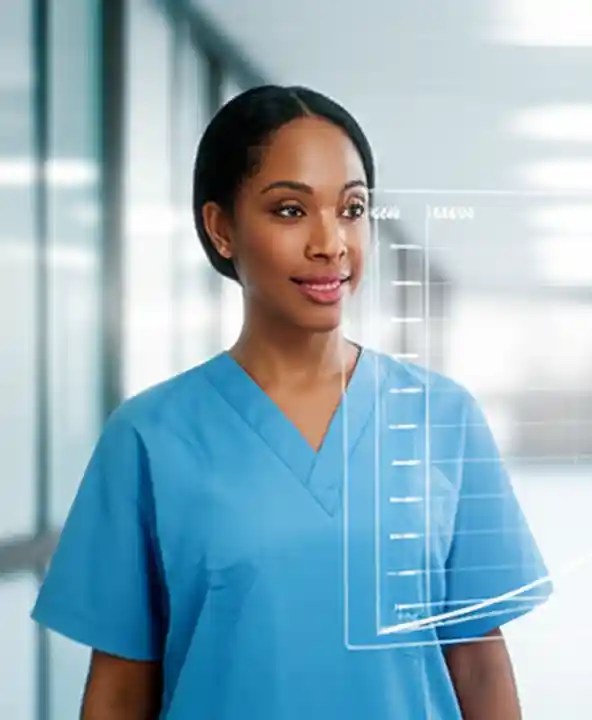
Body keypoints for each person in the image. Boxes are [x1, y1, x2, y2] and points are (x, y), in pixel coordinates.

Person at [31, 84, 551, 719]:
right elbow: (118, 687)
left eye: (353, 209)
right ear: (221, 228)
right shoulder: (150, 436)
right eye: (289, 210)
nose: (330, 242)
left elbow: (479, 661)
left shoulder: (441, 418)